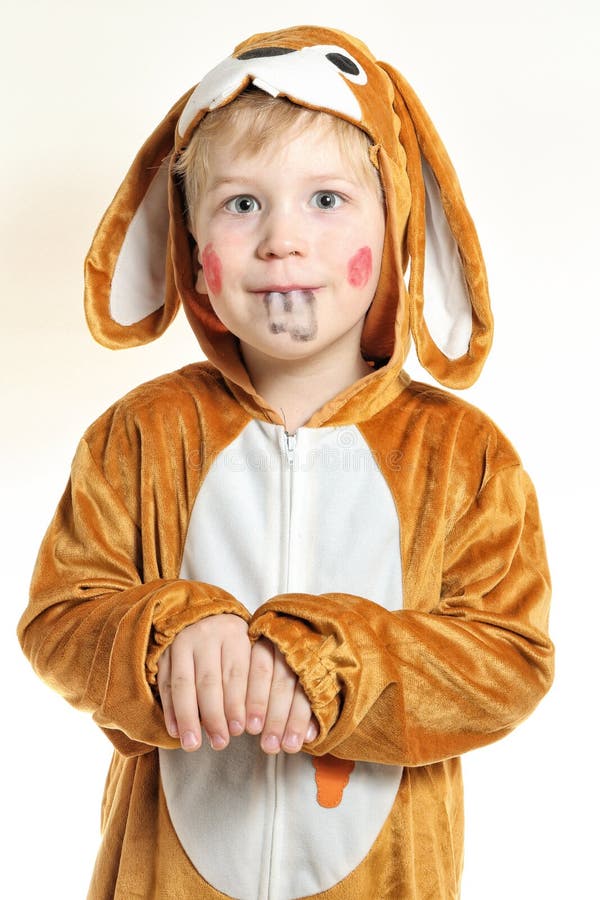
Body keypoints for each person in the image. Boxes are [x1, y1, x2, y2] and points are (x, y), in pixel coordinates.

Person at [17, 25, 554, 900]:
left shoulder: (465, 456)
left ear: (397, 227)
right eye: (240, 204)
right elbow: (59, 620)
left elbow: (507, 658)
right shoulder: (141, 435)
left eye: (327, 200)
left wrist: (329, 661)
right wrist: (169, 639)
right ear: (194, 255)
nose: (280, 240)